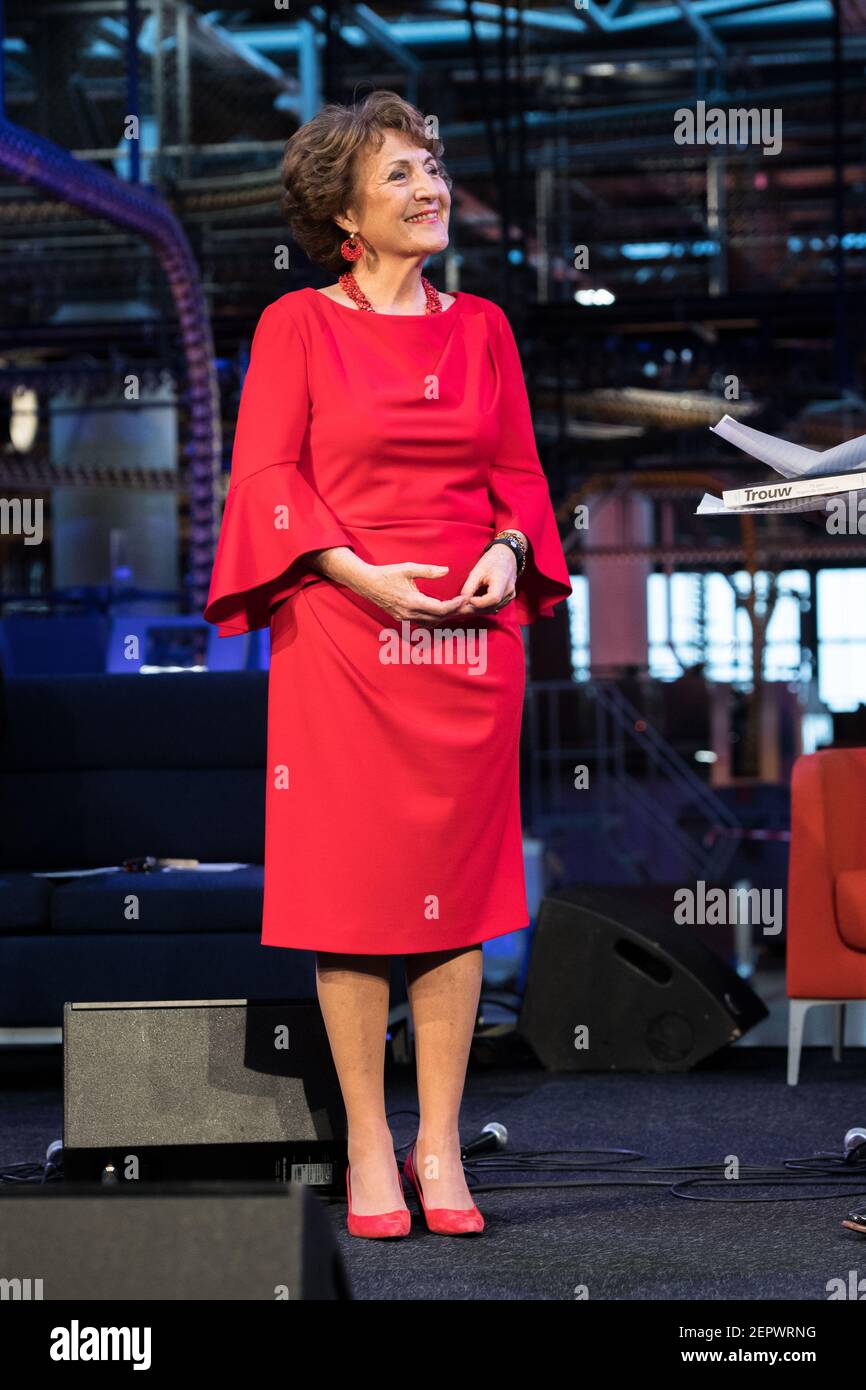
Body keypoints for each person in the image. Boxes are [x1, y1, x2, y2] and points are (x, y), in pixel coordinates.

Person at [203, 90, 571, 1238]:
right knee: (355, 903)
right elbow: (266, 480)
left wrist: (511, 554)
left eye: (432, 168)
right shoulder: (296, 326)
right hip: (344, 638)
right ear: (344, 213)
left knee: (454, 904)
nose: (430, 190)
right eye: (401, 174)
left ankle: (438, 1142)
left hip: (466, 647)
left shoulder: (485, 329)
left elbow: (515, 479)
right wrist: (361, 576)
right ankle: (368, 1143)